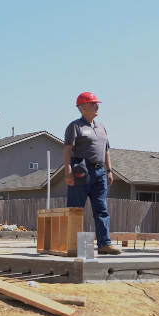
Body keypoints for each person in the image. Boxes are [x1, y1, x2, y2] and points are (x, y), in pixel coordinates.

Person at [64, 92, 121, 255]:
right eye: (93, 103)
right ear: (83, 108)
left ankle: (104, 244)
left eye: (97, 103)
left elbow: (106, 151)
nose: (97, 106)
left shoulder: (101, 127)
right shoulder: (75, 126)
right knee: (76, 209)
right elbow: (67, 149)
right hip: (81, 169)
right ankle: (73, 245)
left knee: (101, 208)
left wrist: (109, 170)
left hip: (99, 172)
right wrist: (68, 170)